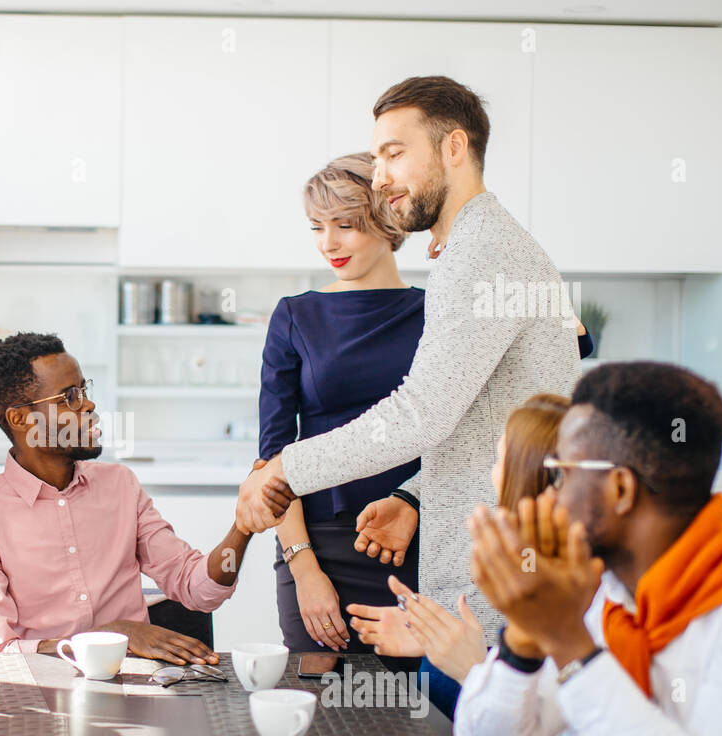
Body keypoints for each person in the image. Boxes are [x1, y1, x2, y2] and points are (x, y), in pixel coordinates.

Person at [236, 75, 582, 655]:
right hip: (473, 571)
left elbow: (421, 413)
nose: (381, 176)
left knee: (475, 735)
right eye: (376, 158)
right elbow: (476, 420)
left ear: (454, 148)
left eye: (395, 154)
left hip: (492, 577)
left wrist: (281, 473)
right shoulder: (472, 249)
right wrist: (416, 496)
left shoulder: (482, 252)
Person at [457, 362, 722, 736]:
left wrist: (568, 645)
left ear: (621, 490)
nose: (551, 492)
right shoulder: (596, 592)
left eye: (562, 473)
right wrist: (524, 637)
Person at [0, 332, 268, 663]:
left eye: (83, 389)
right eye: (68, 397)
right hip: (43, 695)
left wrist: (242, 527)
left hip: (139, 686)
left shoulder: (120, 485)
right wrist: (115, 637)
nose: (88, 404)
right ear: (21, 418)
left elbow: (196, 588)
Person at [261, 153, 423, 672]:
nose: (328, 243)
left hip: (414, 544)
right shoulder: (295, 316)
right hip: (316, 542)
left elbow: (566, 337)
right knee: (319, 711)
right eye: (317, 227)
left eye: (345, 226)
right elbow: (272, 460)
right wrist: (303, 568)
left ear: (388, 219)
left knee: (410, 721)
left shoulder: (438, 312)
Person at [348, 393, 570, 718]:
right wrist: (438, 640)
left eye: (497, 460)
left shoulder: (559, 588)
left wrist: (471, 667)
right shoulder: (530, 561)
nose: (492, 475)